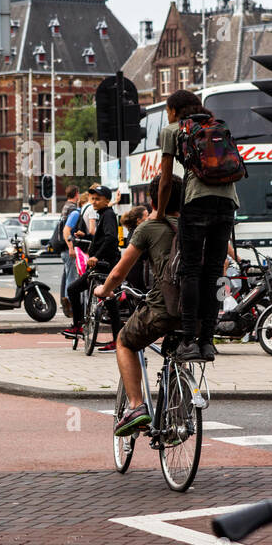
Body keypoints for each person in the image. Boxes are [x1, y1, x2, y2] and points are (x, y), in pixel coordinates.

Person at [154, 88, 240, 361]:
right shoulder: (218, 126)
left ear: (174, 110)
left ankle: (189, 340)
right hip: (227, 204)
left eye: (168, 111)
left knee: (191, 271)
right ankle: (207, 342)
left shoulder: (172, 131)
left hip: (196, 202)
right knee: (215, 272)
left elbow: (166, 180)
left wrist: (159, 213)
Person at [94, 185, 182, 433]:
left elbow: (119, 272)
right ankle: (177, 416)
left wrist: (104, 290)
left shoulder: (149, 228)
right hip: (197, 313)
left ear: (153, 201)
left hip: (163, 307)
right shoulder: (195, 226)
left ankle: (136, 406)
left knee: (124, 341)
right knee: (179, 349)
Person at [62, 185, 122, 350]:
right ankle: (82, 326)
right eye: (92, 199)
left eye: (98, 199)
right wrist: (87, 236)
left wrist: (96, 256)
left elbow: (110, 238)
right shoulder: (104, 214)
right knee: (107, 299)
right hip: (99, 264)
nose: (94, 202)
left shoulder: (108, 215)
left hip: (103, 265)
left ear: (107, 200)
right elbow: (102, 237)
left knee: (107, 298)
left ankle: (80, 326)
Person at [56, 185, 81, 316]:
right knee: (72, 277)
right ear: (76, 193)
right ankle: (70, 304)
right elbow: (67, 231)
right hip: (68, 248)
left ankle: (65, 300)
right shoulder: (73, 209)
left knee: (67, 276)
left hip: (64, 248)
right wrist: (71, 247)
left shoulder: (65, 206)